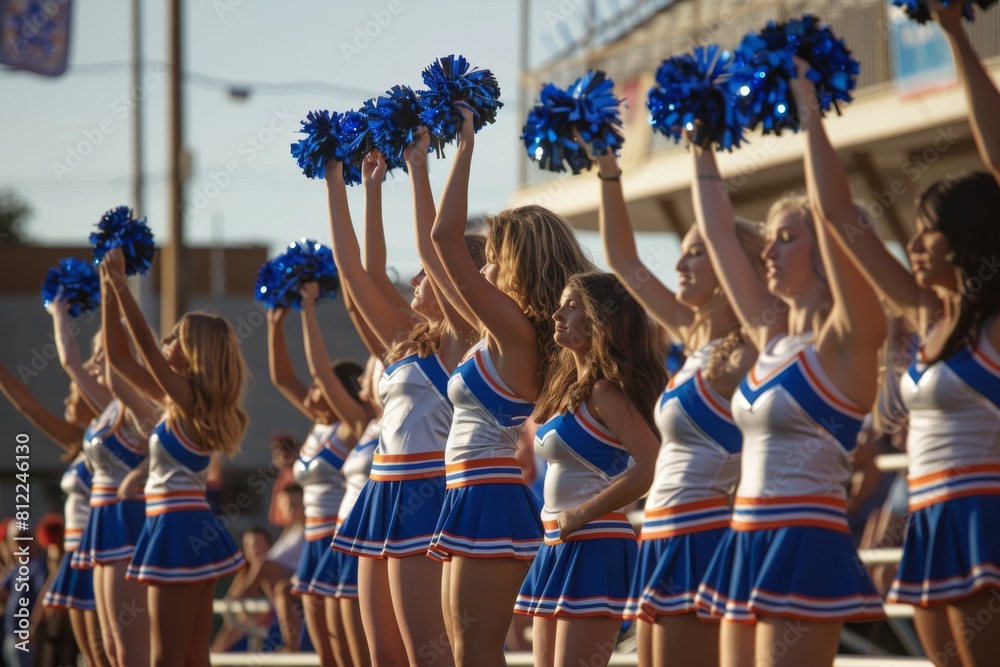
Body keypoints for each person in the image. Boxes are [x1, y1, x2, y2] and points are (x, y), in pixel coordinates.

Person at [806, 34, 1000, 666]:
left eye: (926, 232)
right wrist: (807, 103)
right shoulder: (923, 312)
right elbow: (839, 212)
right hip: (927, 514)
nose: (913, 246)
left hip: (982, 514)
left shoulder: (994, 324)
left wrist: (954, 33)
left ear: (966, 239)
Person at [691, 64, 887, 667]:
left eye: (787, 238)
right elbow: (722, 233)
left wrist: (807, 105)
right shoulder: (768, 331)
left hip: (803, 538)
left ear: (822, 249)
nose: (768, 250)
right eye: (771, 238)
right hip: (745, 537)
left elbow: (833, 214)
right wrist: (697, 132)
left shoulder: (849, 337)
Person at [429, 106, 596, 666]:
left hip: (488, 496)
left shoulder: (515, 332)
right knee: (465, 652)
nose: (488, 266)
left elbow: (446, 239)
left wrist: (465, 144)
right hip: (468, 493)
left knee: (474, 653)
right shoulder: (498, 331)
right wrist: (413, 167)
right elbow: (436, 252)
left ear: (518, 263)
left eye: (495, 256)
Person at [593, 145, 762, 667]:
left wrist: (702, 145)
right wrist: (608, 171)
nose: (682, 263)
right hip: (662, 533)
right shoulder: (691, 337)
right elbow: (624, 259)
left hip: (702, 536)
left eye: (698, 251)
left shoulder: (751, 346)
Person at [326, 144, 483, 666]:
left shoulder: (465, 340)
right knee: (384, 658)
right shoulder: (407, 340)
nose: (415, 280)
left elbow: (436, 253)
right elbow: (357, 274)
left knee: (426, 657)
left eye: (426, 275)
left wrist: (419, 169)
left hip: (427, 495)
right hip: (381, 493)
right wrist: (346, 182)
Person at [100, 247, 248, 667]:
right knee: (191, 657)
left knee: (166, 659)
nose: (167, 342)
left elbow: (144, 348)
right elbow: (119, 360)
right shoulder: (182, 403)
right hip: (185, 525)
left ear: (194, 349)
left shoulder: (187, 400)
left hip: (177, 528)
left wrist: (121, 286)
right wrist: (109, 291)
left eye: (176, 336)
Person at [514, 272, 662, 666]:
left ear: (602, 320)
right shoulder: (568, 388)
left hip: (595, 543)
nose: (558, 314)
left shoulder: (605, 392)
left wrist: (579, 514)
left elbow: (651, 465)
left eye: (574, 306)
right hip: (558, 544)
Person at [267, 291, 368, 667]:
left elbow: (320, 371)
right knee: (324, 654)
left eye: (321, 388)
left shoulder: (349, 428)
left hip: (337, 540)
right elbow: (282, 378)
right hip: (312, 541)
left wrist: (308, 309)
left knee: (346, 652)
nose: (310, 393)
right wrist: (275, 323)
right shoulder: (317, 428)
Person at [0, 359, 109, 666]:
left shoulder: (117, 441)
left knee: (113, 655)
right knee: (92, 657)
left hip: (101, 555)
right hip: (76, 560)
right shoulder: (81, 442)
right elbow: (28, 406)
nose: (65, 398)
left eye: (73, 392)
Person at [308, 354, 384, 667]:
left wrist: (309, 309)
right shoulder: (367, 426)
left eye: (371, 371)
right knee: (338, 656)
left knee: (362, 657)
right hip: (343, 538)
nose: (363, 378)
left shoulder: (375, 423)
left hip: (364, 541)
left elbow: (323, 372)